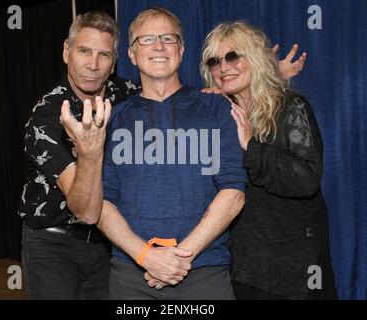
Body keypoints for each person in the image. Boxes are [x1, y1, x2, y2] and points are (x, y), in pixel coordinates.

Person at [97, 7, 247, 300]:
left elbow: (233, 192)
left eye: (168, 37)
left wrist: (179, 257)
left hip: (204, 273)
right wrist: (146, 257)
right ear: (131, 54)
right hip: (132, 276)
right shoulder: (113, 119)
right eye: (147, 39)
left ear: (181, 48)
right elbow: (101, 203)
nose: (159, 46)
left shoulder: (216, 109)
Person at [200, 21, 337, 300]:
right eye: (214, 61)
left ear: (255, 59)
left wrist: (251, 145)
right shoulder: (217, 117)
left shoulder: (289, 107)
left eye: (233, 56)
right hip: (241, 265)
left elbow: (306, 179)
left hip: (293, 268)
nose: (223, 67)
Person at [17, 11, 138, 300]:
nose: (93, 65)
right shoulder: (45, 117)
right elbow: (84, 209)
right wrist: (90, 152)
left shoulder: (129, 95)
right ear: (66, 51)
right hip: (53, 244)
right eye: (84, 51)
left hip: (110, 243)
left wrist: (218, 99)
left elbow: (174, 105)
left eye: (104, 55)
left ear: (114, 61)